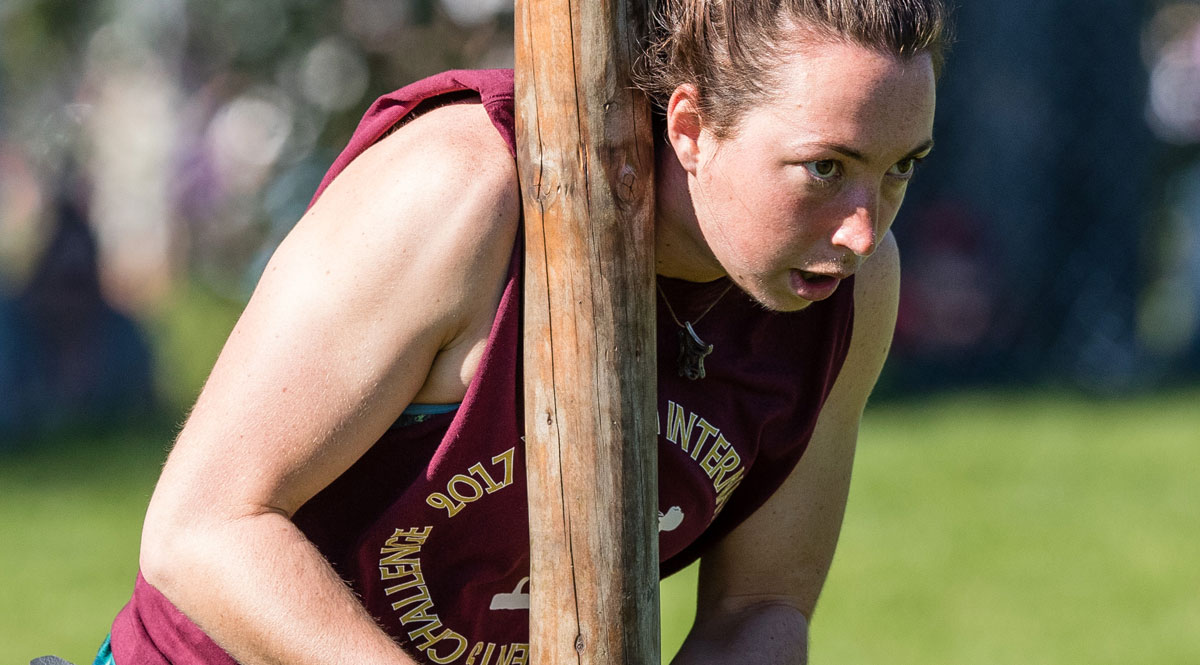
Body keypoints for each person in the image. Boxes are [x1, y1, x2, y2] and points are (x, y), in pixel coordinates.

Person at [103, 1, 950, 663]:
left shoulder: (848, 291)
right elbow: (204, 529)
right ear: (690, 127)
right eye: (825, 168)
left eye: (901, 168)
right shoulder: (461, 193)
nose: (861, 229)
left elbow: (758, 608)